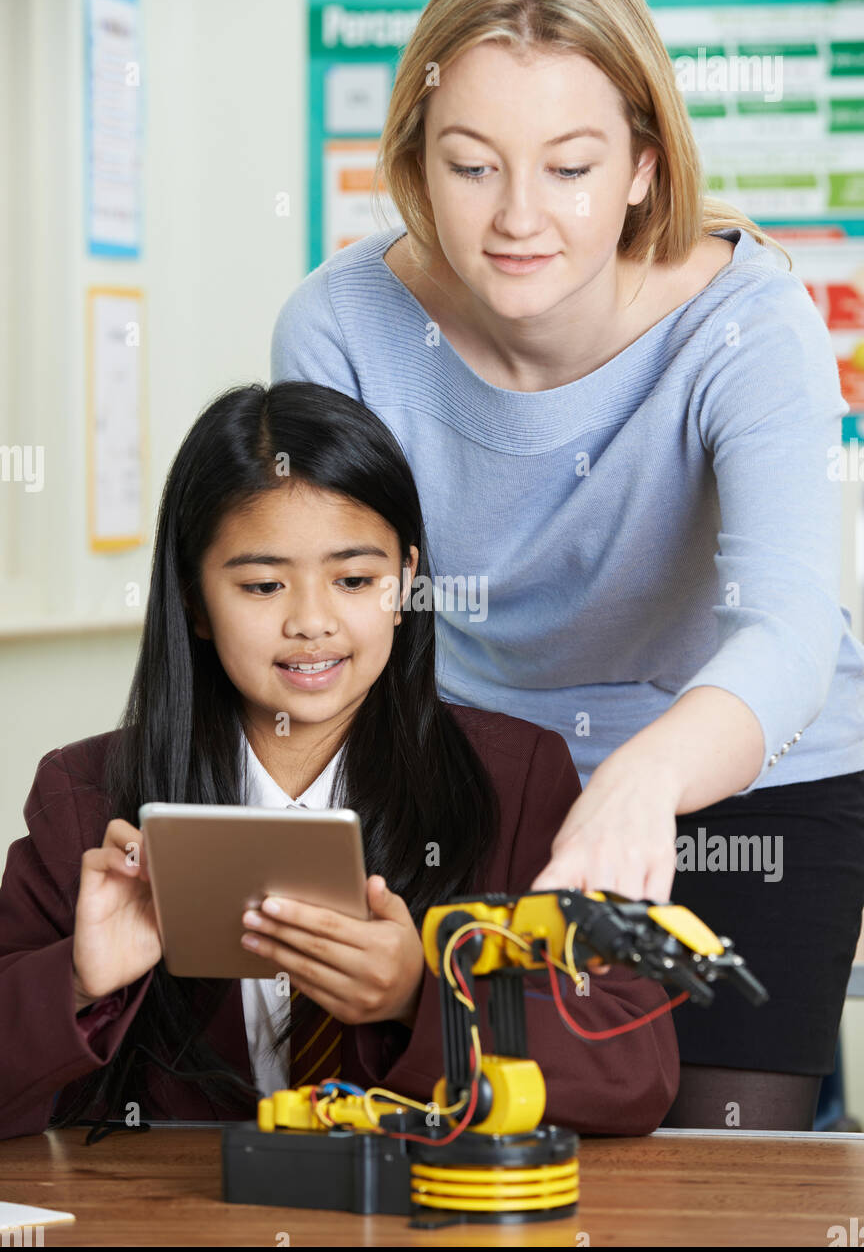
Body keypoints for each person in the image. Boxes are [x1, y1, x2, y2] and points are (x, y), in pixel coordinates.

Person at [270, 0, 864, 1129]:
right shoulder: (338, 326)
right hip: (475, 770)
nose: (518, 217)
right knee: (475, 1131)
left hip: (741, 778)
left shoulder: (745, 328)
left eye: (572, 166)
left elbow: (794, 624)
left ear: (645, 165)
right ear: (415, 164)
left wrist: (643, 777)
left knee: (709, 1176)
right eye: (472, 166)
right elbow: (329, 610)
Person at [0, 381, 680, 1142]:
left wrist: (420, 996)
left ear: (406, 583)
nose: (312, 622)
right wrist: (78, 980)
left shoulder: (516, 777)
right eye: (262, 585)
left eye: (355, 580)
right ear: (193, 599)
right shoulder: (87, 797)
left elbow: (635, 1070)